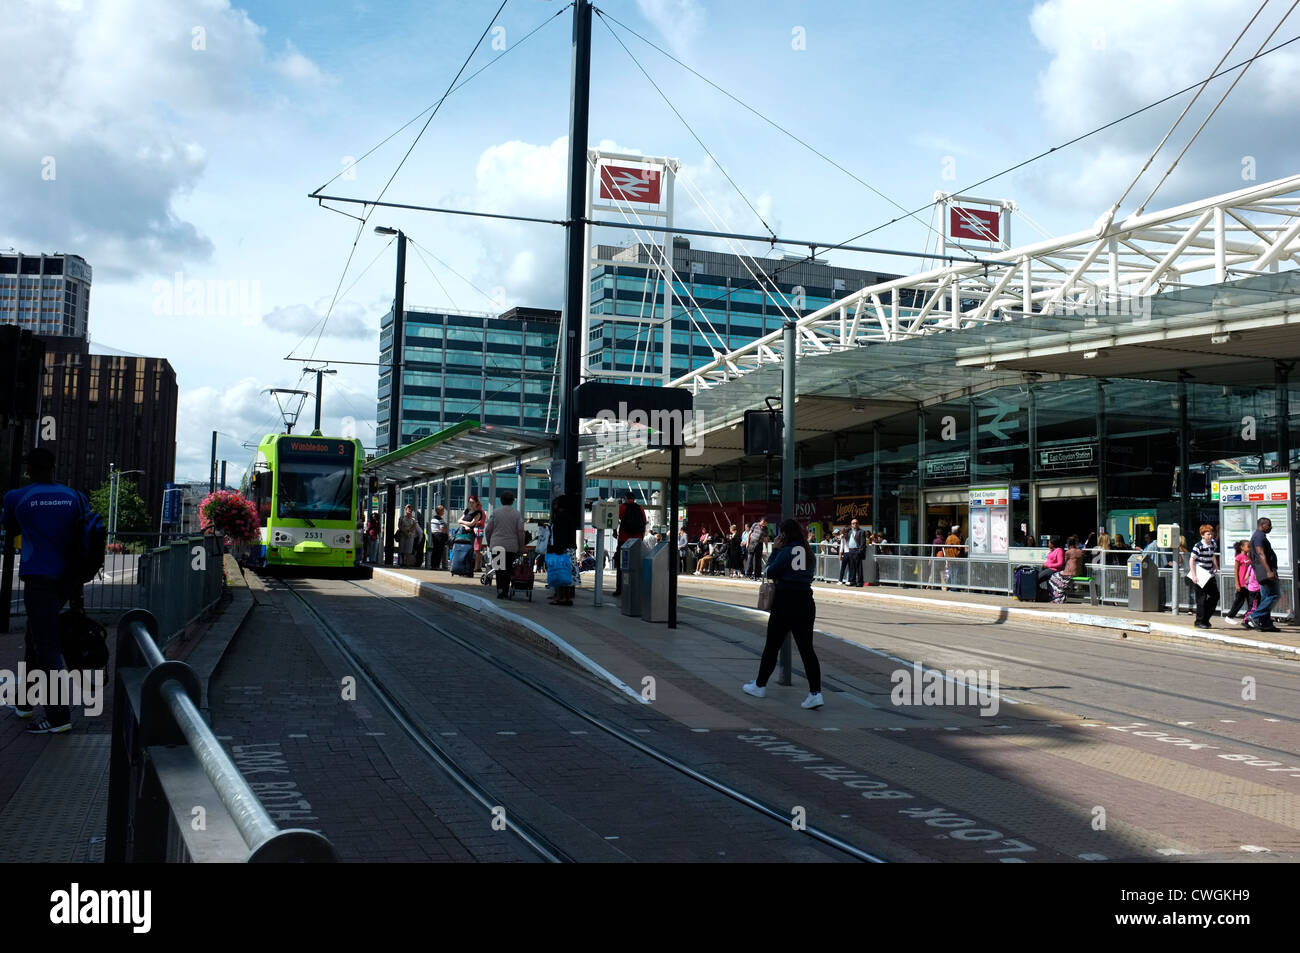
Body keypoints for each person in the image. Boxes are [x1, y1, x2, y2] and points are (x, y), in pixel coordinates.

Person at [1, 448, 83, 733]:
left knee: (47, 646)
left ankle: (58, 717)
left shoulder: (17, 497)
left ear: (29, 470)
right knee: (35, 636)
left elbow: (11, 530)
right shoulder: (74, 497)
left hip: (38, 577)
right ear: (53, 467)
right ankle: (24, 702)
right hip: (66, 579)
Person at [742, 520, 823, 710]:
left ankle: (760, 685)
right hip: (806, 601)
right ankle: (815, 693)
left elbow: (769, 571)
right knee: (807, 649)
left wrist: (775, 551)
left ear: (785, 535)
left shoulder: (785, 551)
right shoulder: (809, 553)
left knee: (772, 646)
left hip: (785, 601)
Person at [484, 490, 526, 600]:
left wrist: (489, 542)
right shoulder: (517, 514)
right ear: (513, 501)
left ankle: (500, 590)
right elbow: (520, 530)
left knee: (499, 569)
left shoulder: (495, 513)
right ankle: (506, 590)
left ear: (501, 500)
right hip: (511, 546)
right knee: (508, 569)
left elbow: (488, 530)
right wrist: (521, 546)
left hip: (497, 544)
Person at [1244, 516, 1280, 632]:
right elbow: (1260, 553)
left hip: (1262, 571)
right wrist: (1268, 571)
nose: (1270, 527)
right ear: (1262, 525)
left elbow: (1252, 555)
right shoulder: (1259, 536)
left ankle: (1265, 623)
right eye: (1269, 525)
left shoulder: (1258, 536)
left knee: (1266, 597)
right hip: (1266, 572)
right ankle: (1254, 616)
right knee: (1274, 595)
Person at [611, 490, 646, 597]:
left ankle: (619, 589)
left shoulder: (622, 507)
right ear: (634, 499)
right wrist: (641, 537)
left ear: (625, 498)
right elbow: (644, 523)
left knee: (621, 565)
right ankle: (635, 589)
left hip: (624, 540)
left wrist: (614, 532)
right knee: (636, 565)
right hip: (636, 541)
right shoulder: (640, 508)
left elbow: (614, 520)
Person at [1188, 524, 1220, 629]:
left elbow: (1213, 555)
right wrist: (1194, 576)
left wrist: (1215, 566)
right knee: (1201, 599)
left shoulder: (1213, 543)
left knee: (1215, 596)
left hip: (1209, 575)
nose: (1210, 536)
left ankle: (1205, 619)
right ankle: (1199, 621)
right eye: (1208, 534)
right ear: (1202, 535)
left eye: (1211, 534)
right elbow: (1192, 560)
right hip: (1200, 574)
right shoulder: (1198, 546)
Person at [1224, 540, 1258, 623]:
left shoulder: (1249, 558)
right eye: (1248, 546)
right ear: (1242, 547)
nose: (1250, 548)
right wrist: (1237, 584)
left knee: (1251, 603)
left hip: (1249, 584)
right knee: (1239, 601)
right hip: (1241, 584)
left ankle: (1247, 620)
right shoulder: (1239, 557)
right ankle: (1229, 616)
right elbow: (1236, 570)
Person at [1049, 537, 1084, 603]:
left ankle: (1059, 596)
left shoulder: (1068, 552)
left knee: (1052, 577)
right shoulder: (1080, 551)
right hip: (1077, 572)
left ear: (1068, 544)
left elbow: (1064, 562)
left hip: (1068, 574)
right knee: (1057, 578)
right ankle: (1061, 592)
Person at [844, 519, 867, 587]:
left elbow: (863, 543)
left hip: (857, 551)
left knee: (858, 568)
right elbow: (847, 540)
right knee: (851, 567)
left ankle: (860, 582)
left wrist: (859, 551)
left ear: (858, 524)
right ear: (851, 525)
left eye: (856, 523)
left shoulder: (861, 531)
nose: (855, 524)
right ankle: (852, 581)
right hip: (850, 551)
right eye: (853, 523)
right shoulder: (849, 532)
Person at [943, 525, 965, 591]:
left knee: (952, 573)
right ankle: (955, 588)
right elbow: (959, 550)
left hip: (949, 558)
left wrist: (947, 558)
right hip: (956, 559)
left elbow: (946, 549)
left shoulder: (948, 538)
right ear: (957, 532)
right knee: (956, 573)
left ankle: (952, 587)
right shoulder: (957, 539)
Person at [428, 505, 448, 570]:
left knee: (435, 550)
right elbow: (442, 529)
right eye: (443, 511)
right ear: (440, 511)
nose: (443, 512)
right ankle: (436, 565)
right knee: (439, 551)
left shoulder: (433, 519)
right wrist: (446, 534)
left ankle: (433, 565)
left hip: (434, 535)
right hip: (439, 535)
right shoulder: (440, 519)